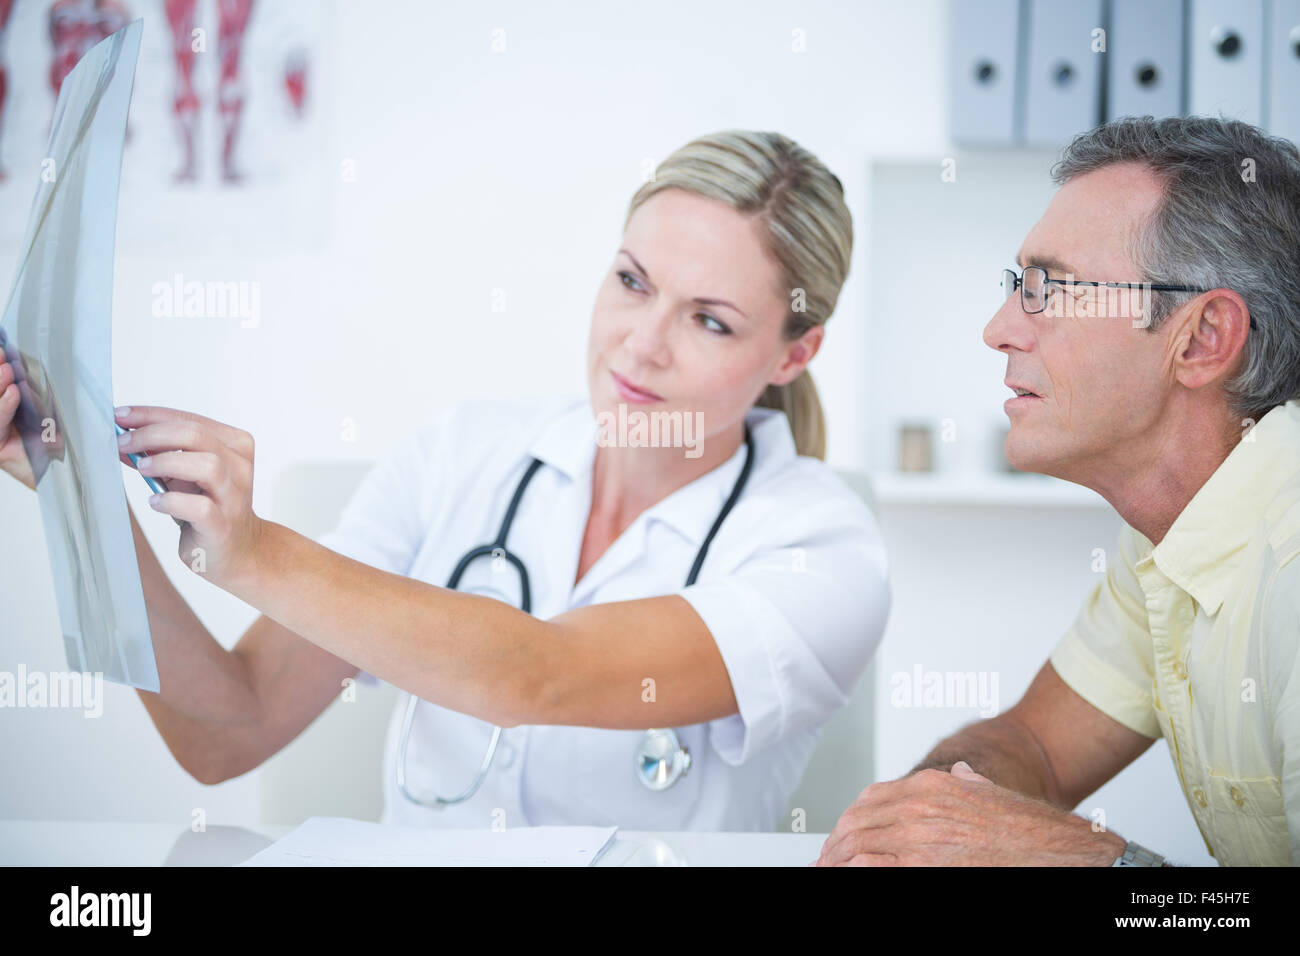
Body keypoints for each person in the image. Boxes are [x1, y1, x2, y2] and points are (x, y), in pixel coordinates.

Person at [1, 130, 890, 831]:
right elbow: (226, 729)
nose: (641, 344)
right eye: (631, 281)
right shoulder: (460, 453)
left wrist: (252, 551)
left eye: (710, 320)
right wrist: (75, 495)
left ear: (796, 351)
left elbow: (538, 675)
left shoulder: (823, 551)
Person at [818, 115, 1300, 867]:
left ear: (1203, 339)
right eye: (1019, 286)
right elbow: (1032, 746)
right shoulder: (1165, 539)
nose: (999, 328)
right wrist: (924, 822)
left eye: (1051, 288)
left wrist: (1088, 861)